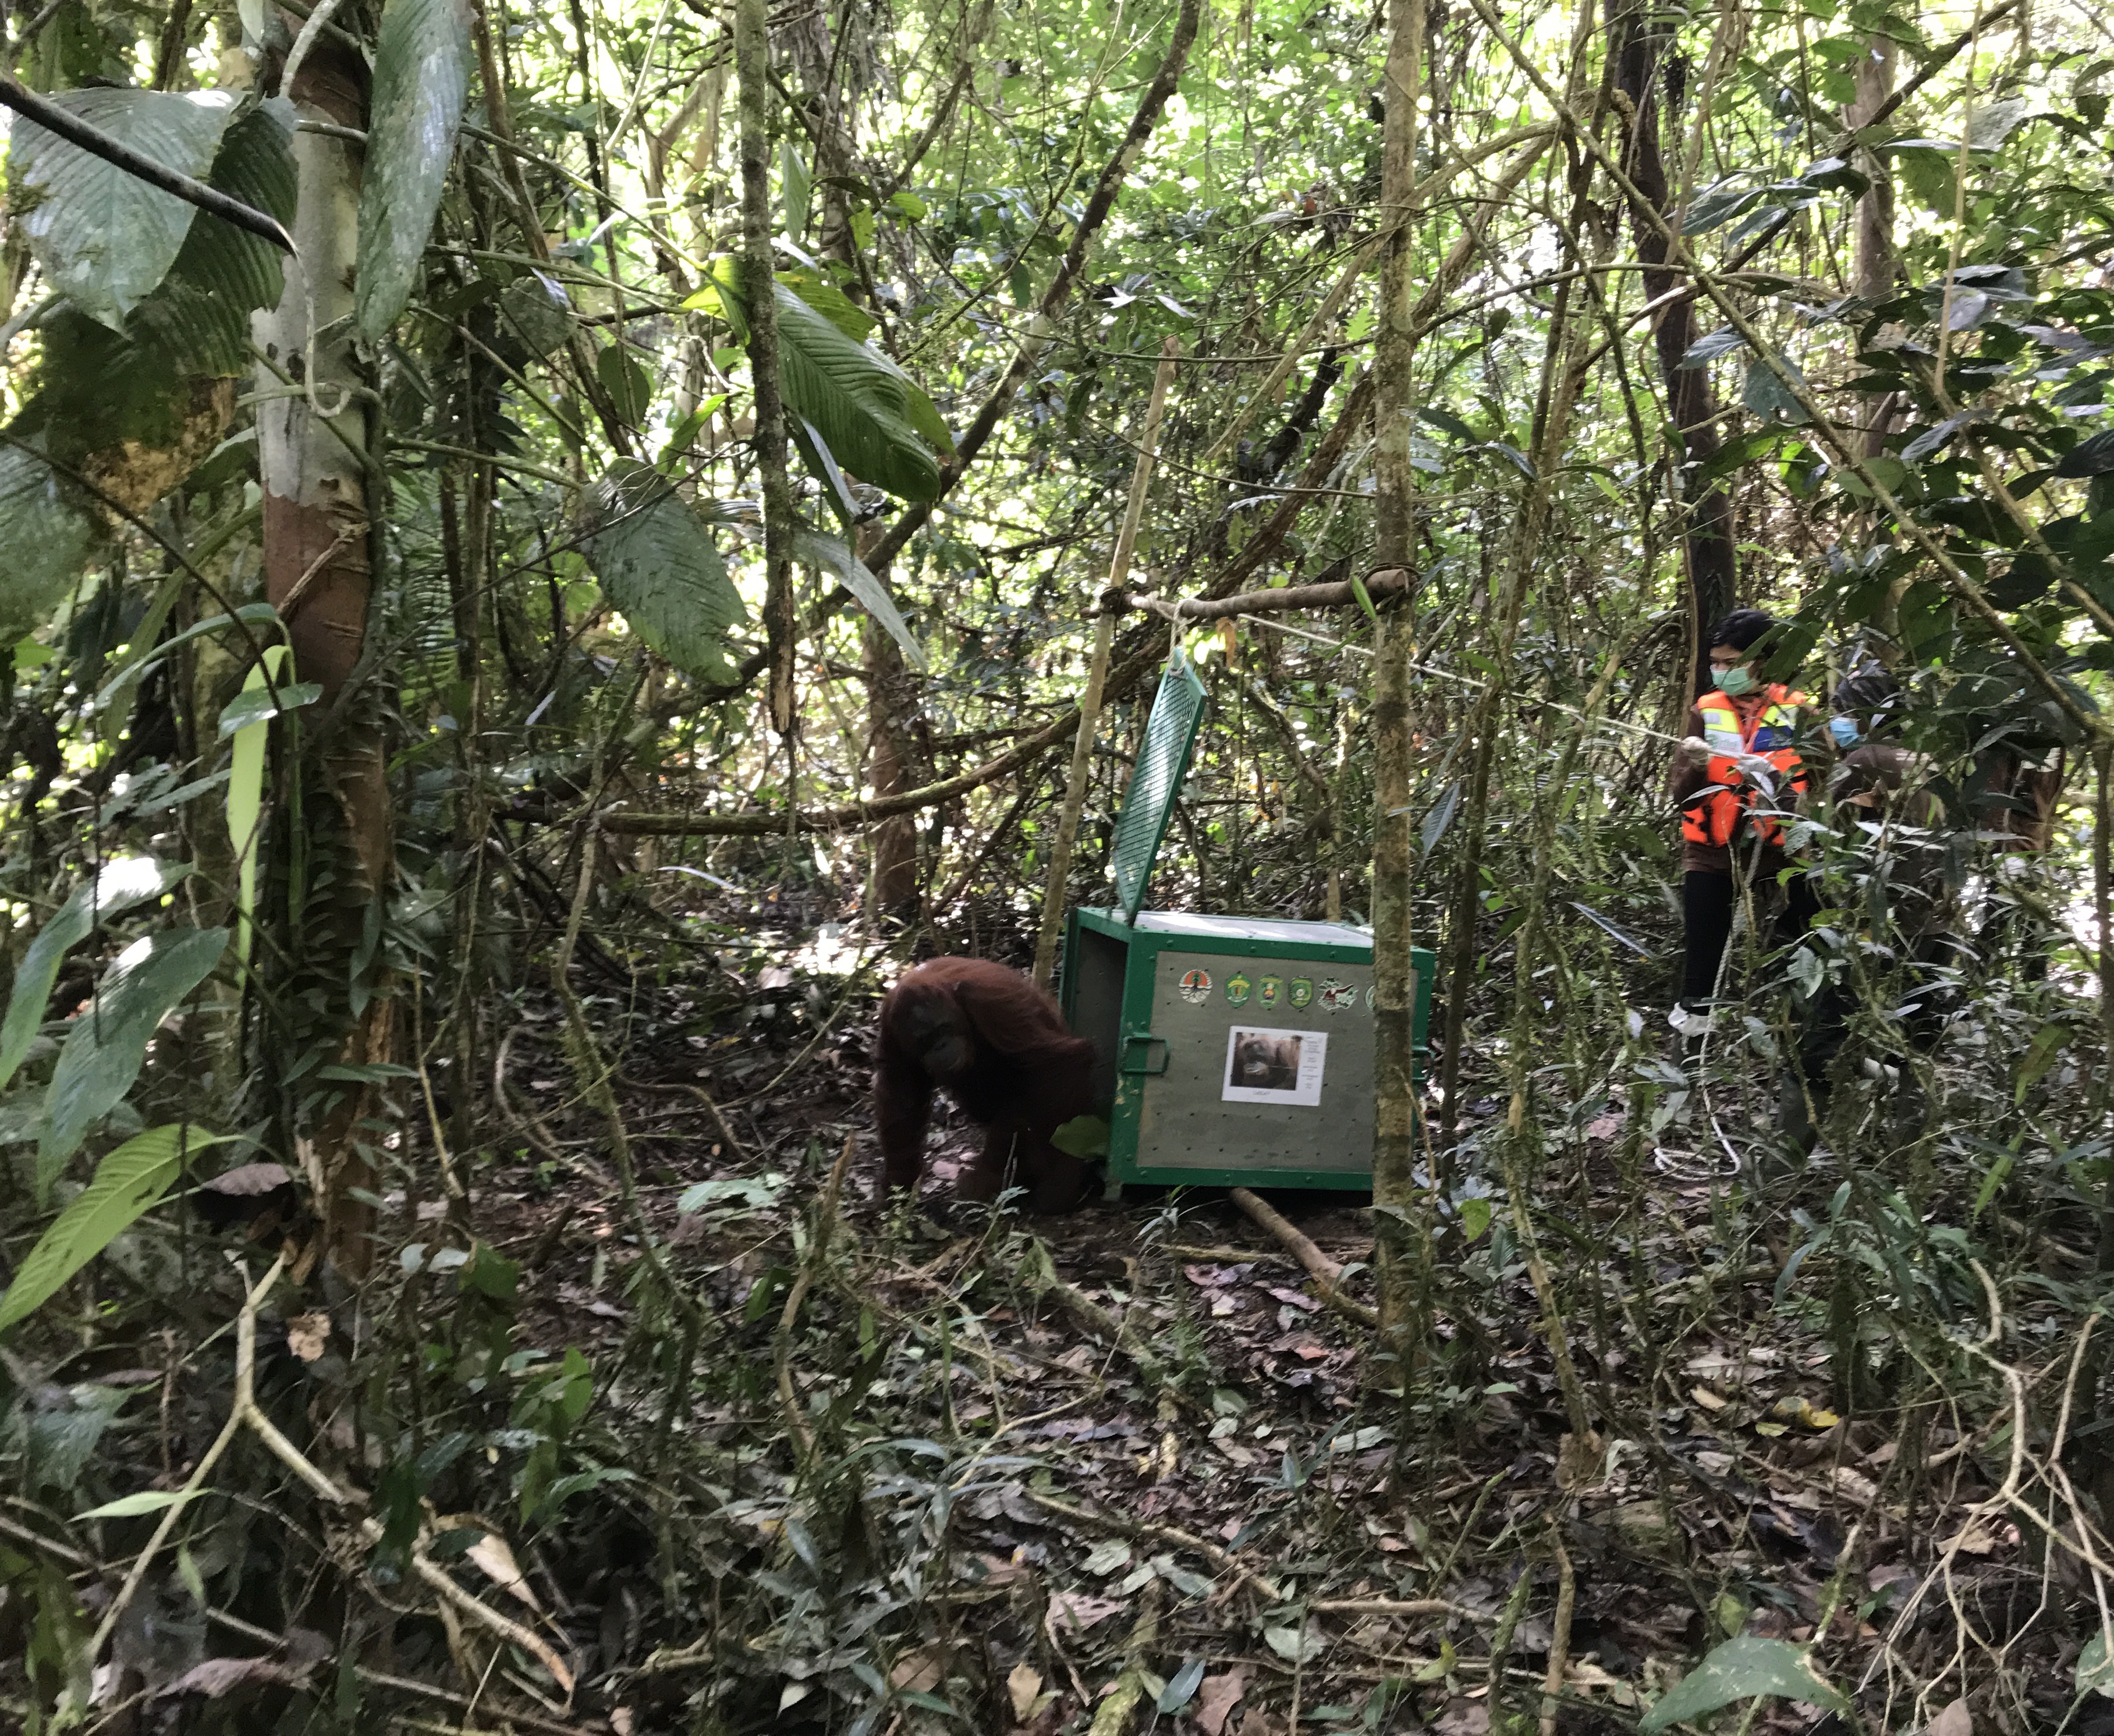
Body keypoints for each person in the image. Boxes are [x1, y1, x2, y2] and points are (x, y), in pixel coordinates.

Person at [1668, 609, 1817, 1034]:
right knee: (1703, 951)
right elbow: (1680, 794)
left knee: (1811, 935)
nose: (1721, 671)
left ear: (1763, 661)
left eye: (1731, 663)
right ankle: (1694, 1039)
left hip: (1784, 849)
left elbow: (1825, 783)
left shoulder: (1798, 710)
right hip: (1712, 849)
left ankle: (1811, 1037)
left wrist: (1779, 788)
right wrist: (1698, 765)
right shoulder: (1705, 711)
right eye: (1716, 662)